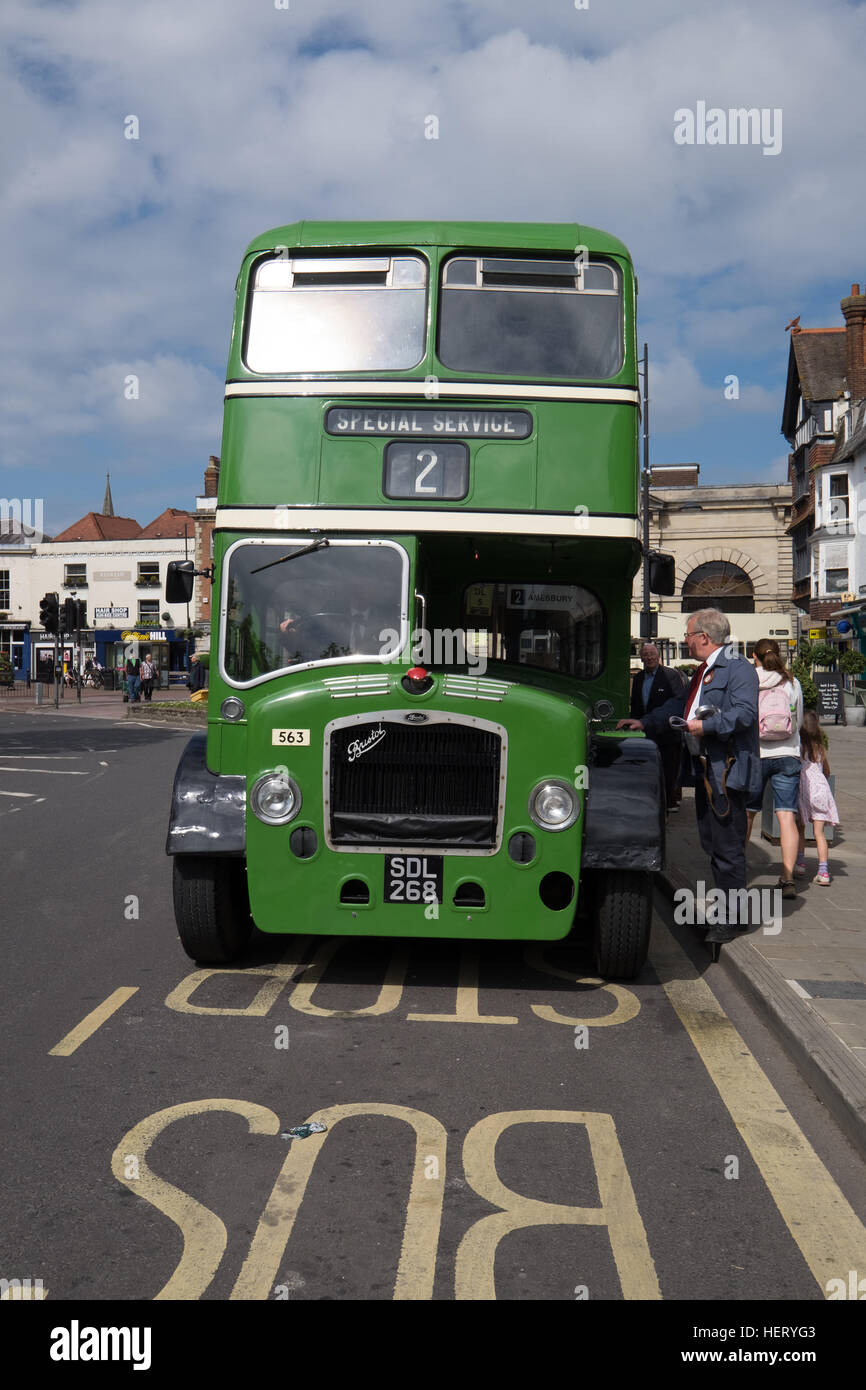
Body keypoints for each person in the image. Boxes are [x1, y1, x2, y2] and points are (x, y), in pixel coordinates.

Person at [618, 608, 760, 945]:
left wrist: (705, 725)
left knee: (727, 846)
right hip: (704, 768)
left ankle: (732, 918)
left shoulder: (738, 669)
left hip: (725, 770)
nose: (685, 639)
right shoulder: (703, 672)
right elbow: (678, 707)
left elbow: (745, 714)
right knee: (712, 842)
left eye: (688, 634)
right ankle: (728, 905)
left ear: (704, 638)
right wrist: (645, 723)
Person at [745, 638, 804, 898]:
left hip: (755, 753)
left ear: (755, 657)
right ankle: (788, 877)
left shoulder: (749, 680)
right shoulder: (792, 681)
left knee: (747, 813)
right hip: (788, 753)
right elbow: (798, 719)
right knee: (786, 817)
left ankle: (737, 870)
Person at [629, 642, 686, 811]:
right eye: (645, 654)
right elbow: (636, 705)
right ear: (641, 658)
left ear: (658, 656)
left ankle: (669, 802)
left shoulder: (670, 675)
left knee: (668, 769)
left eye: (652, 654)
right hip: (645, 732)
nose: (649, 657)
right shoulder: (638, 678)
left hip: (667, 732)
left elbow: (678, 702)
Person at [796, 710, 839, 885]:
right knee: (819, 834)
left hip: (805, 791)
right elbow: (827, 772)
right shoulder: (820, 748)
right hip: (821, 791)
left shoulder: (799, 747)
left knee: (800, 829)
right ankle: (823, 871)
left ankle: (799, 864)